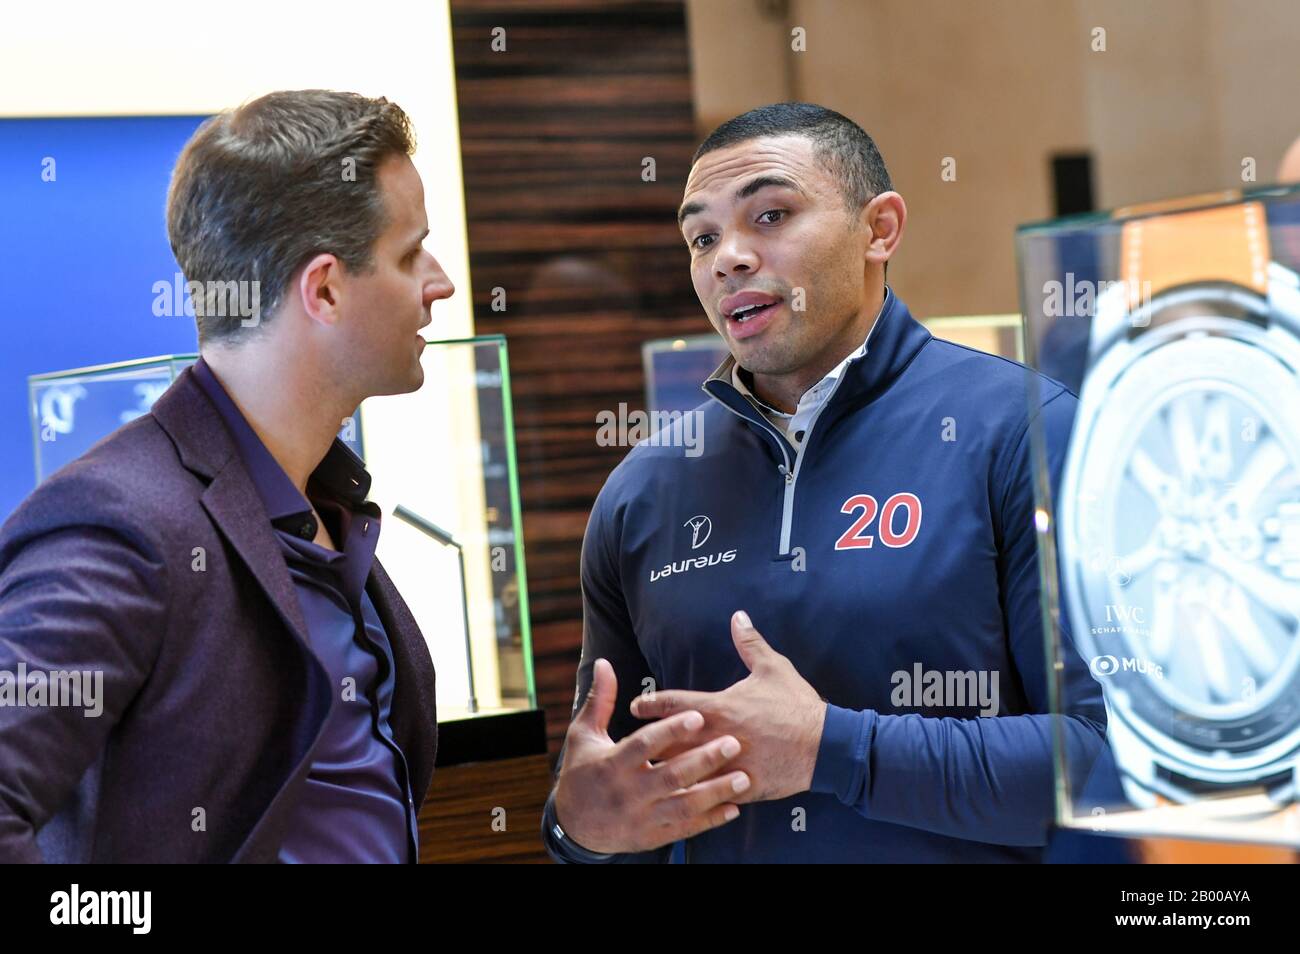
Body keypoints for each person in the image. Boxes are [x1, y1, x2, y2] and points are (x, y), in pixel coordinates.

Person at [542, 102, 1109, 862]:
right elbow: (614, 793)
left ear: (881, 229)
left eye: (770, 215)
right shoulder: (642, 491)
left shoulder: (1028, 429)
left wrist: (832, 749)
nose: (728, 258)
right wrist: (579, 834)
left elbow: (1110, 765)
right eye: (702, 237)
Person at [0, 89, 455, 862]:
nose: (438, 281)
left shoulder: (325, 499)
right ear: (324, 289)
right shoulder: (118, 525)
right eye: (411, 254)